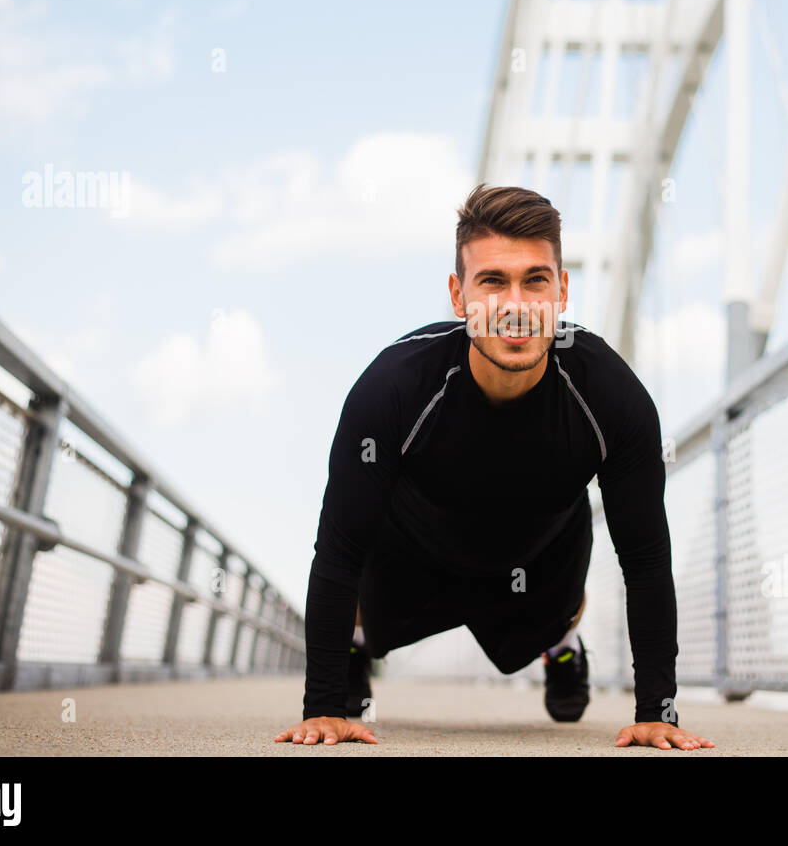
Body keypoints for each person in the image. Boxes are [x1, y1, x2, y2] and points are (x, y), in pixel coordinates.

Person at [274, 184, 715, 751]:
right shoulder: (394, 388)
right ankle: (357, 656)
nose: (515, 304)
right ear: (458, 297)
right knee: (363, 608)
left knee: (557, 611)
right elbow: (337, 551)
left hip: (539, 560)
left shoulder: (611, 396)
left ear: (561, 292)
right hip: (415, 558)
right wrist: (324, 707)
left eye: (535, 280)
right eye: (492, 282)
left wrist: (659, 711)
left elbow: (647, 560)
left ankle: (563, 646)